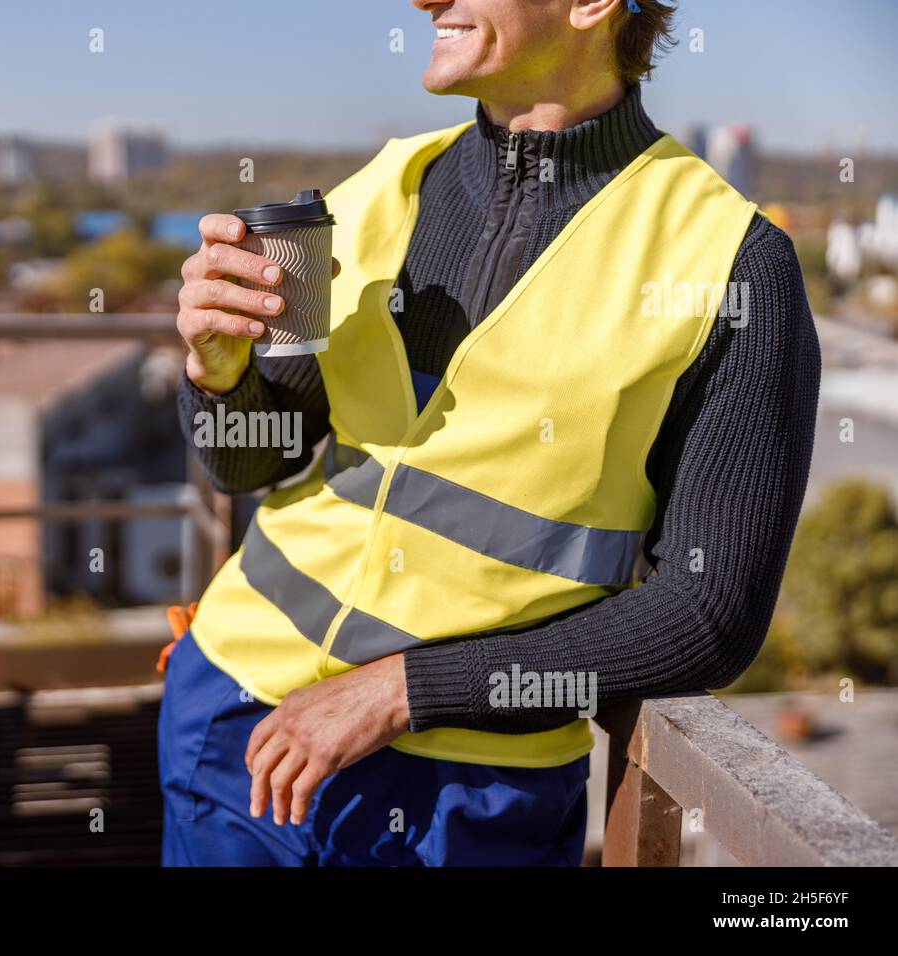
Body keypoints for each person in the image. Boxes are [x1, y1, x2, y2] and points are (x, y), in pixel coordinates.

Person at [160, 0, 820, 866]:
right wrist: (217, 373)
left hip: (463, 796)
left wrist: (405, 690)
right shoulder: (382, 189)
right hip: (231, 725)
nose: (424, 1)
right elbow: (252, 460)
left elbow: (709, 616)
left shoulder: (732, 263)